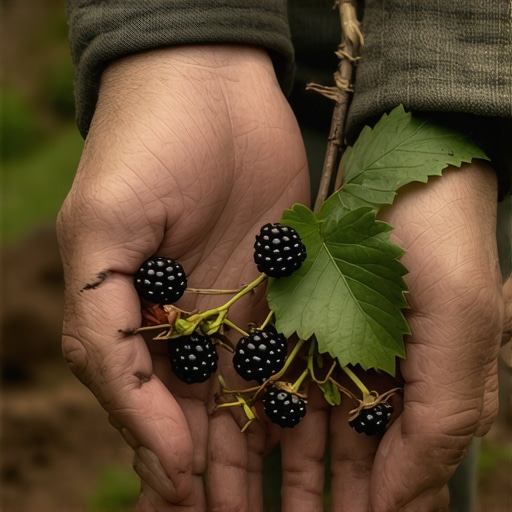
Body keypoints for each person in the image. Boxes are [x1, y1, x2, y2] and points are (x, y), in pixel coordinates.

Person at [58, 1, 511, 511]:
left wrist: (456, 93)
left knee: (409, 409)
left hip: (424, 104)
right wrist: (180, 36)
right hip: (256, 81)